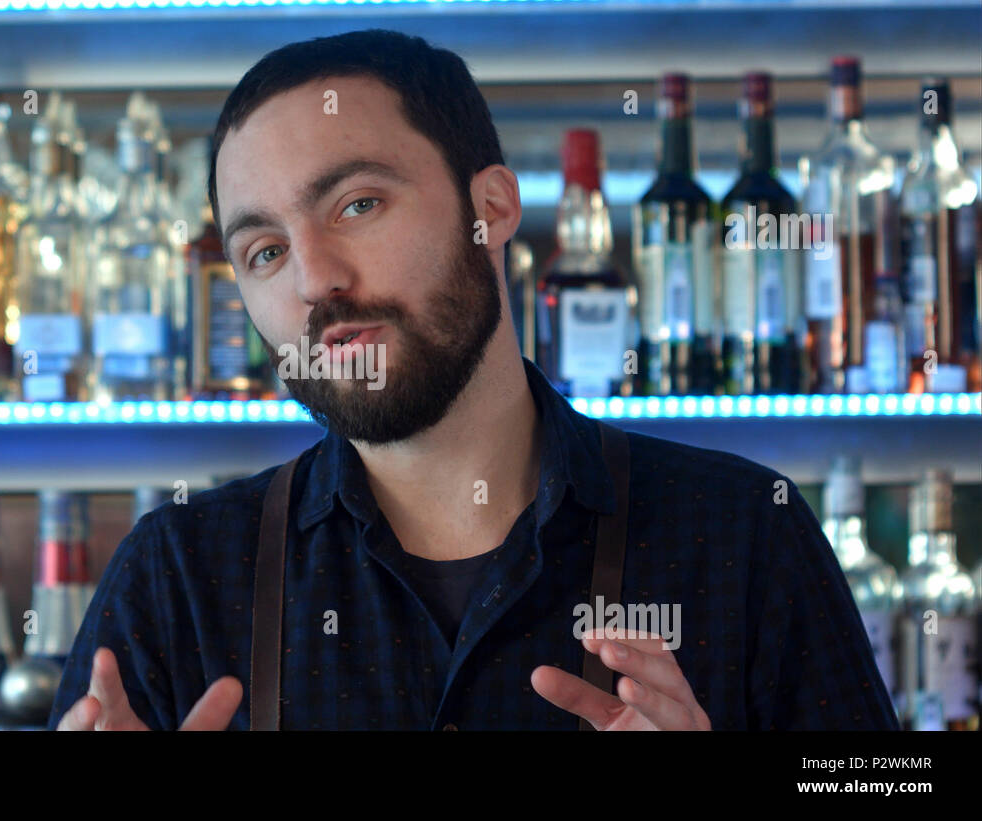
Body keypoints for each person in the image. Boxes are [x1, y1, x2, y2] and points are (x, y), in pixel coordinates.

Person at [50, 28, 897, 731]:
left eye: (357, 205)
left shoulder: (745, 533)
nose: (315, 279)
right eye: (264, 251)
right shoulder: (177, 578)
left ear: (490, 207)